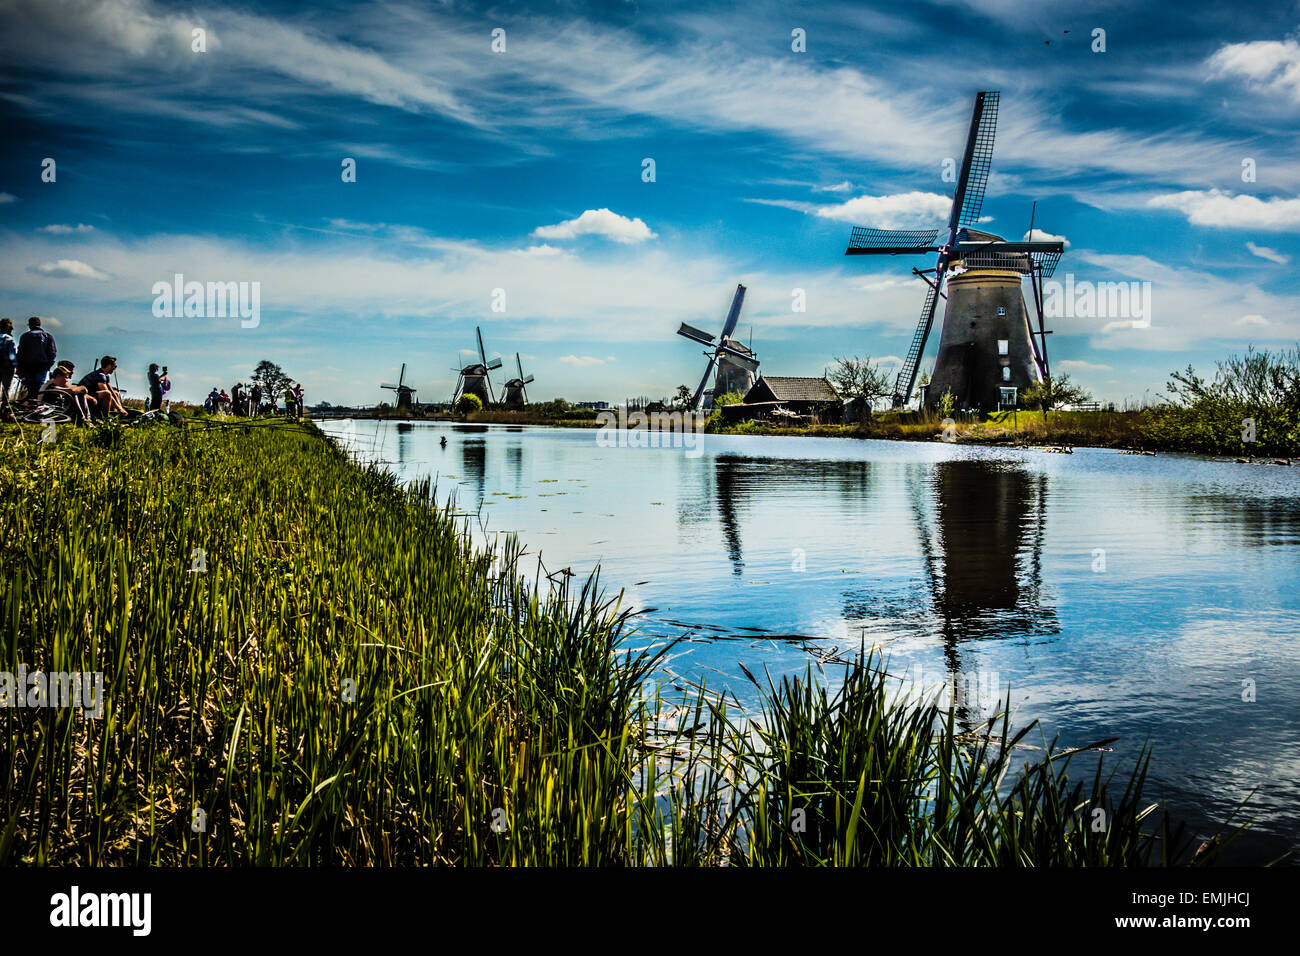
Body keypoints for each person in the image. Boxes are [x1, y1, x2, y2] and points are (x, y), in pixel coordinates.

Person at [15, 316, 57, 399]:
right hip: (42, 366)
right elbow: (52, 352)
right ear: (39, 324)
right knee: (40, 387)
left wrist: (19, 367)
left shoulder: (25, 336)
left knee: (30, 387)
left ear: (30, 325)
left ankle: (31, 404)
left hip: (28, 367)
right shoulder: (47, 336)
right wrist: (49, 365)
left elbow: (20, 353)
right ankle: (38, 403)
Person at [0, 318, 16, 407]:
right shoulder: (9, 339)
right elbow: (12, 355)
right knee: (6, 389)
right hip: (7, 367)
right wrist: (16, 366)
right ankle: (4, 408)